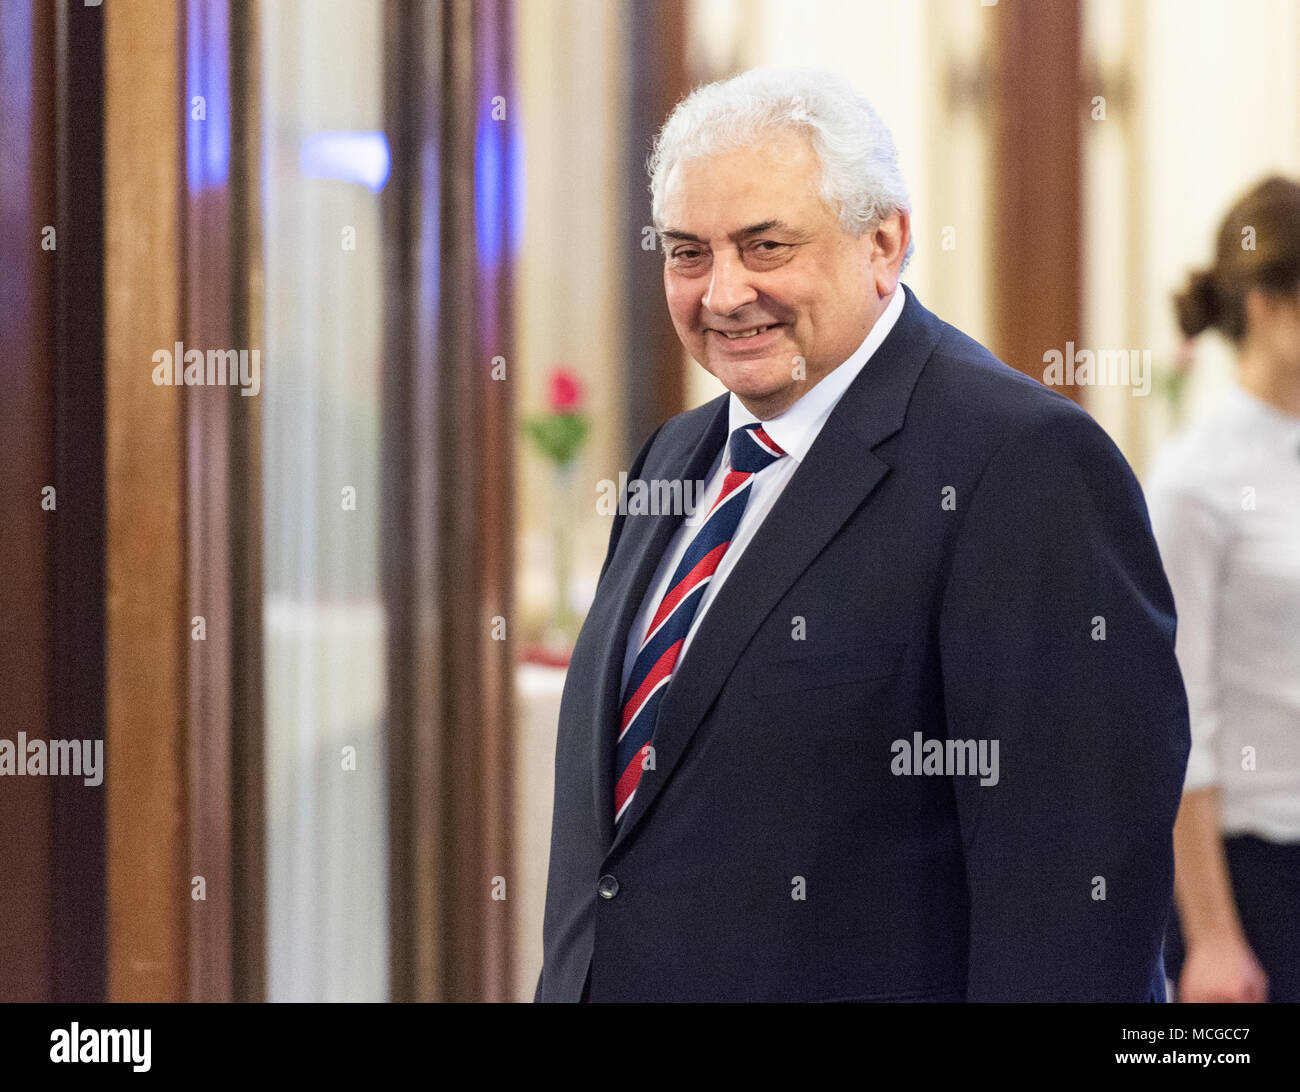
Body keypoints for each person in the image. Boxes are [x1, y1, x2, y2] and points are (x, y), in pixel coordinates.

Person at [535, 66, 1190, 1002]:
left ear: (885, 242)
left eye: (765, 246)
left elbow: (1075, 901)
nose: (723, 293)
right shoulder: (673, 458)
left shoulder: (1021, 465)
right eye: (689, 252)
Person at [1147, 176, 1300, 1004]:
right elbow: (1183, 721)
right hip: (1253, 873)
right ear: (1274, 305)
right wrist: (1212, 937)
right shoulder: (1194, 481)